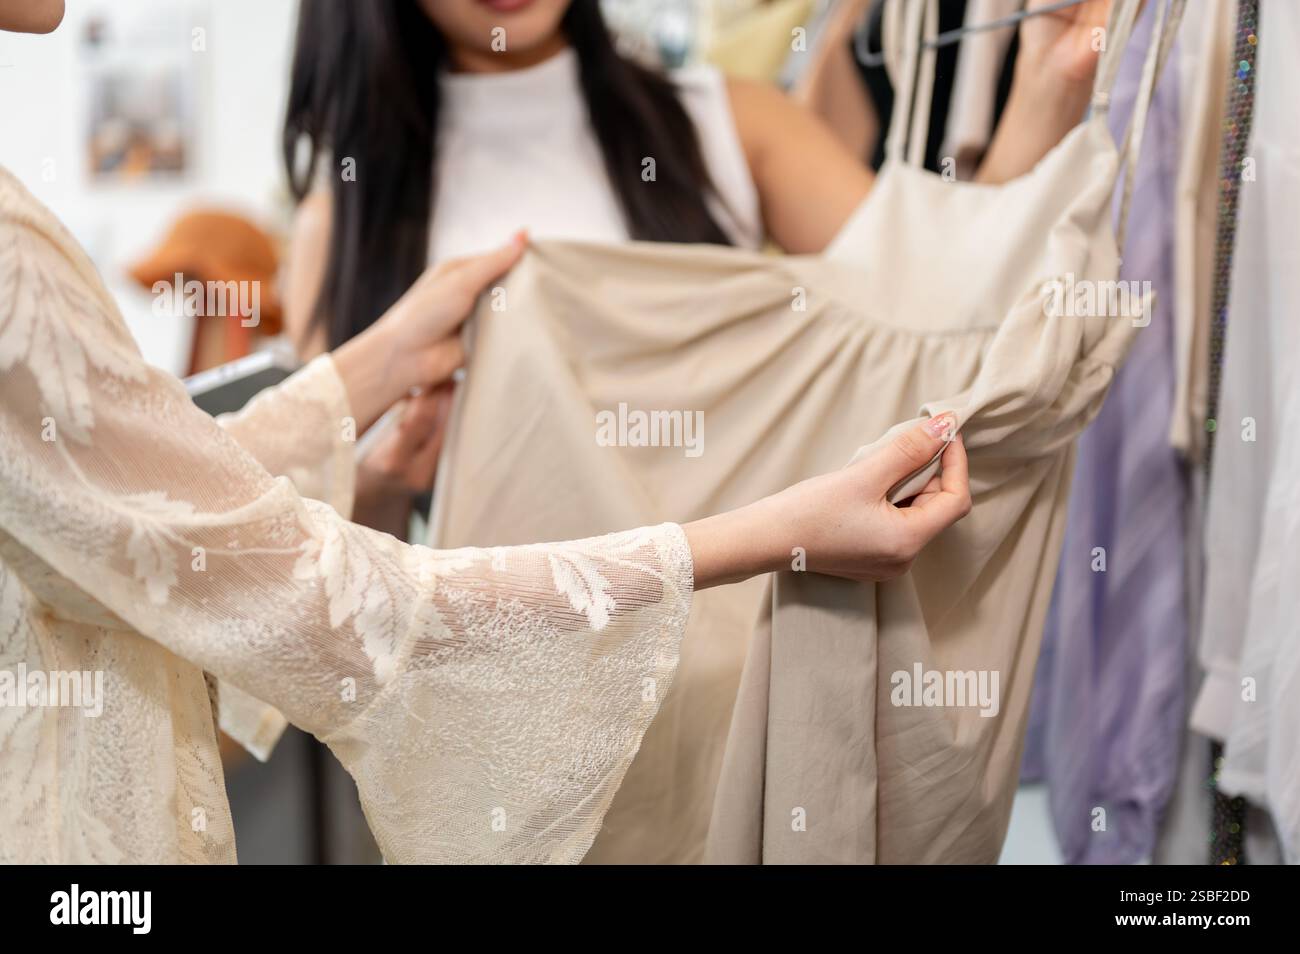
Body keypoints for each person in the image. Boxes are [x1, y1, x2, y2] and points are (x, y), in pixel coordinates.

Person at [0, 0, 970, 863]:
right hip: (513, 726)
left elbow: (942, 310)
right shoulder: (338, 204)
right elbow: (290, 576)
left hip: (736, 684)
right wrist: (775, 533)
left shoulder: (725, 121)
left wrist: (364, 374)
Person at [280, 0, 1110, 536]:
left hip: (739, 649)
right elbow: (335, 577)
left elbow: (944, 298)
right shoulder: (340, 224)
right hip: (504, 689)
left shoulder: (726, 124)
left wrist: (1048, 80)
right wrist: (385, 483)